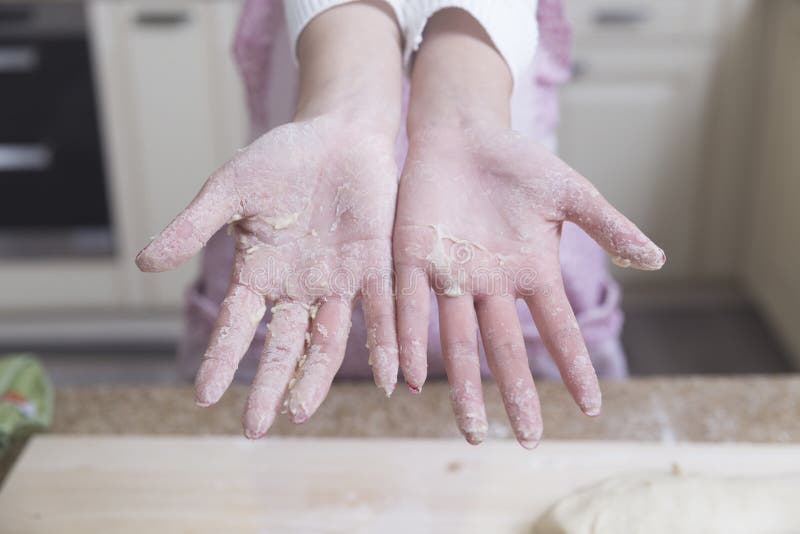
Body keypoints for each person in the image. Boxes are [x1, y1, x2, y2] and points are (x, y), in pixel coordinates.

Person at [136, 0, 665, 448]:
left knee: (560, 460)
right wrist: (346, 113)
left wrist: (464, 115)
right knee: (238, 480)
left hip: (507, 272)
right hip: (293, 265)